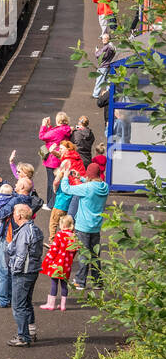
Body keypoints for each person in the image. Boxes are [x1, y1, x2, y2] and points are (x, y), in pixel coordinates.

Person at [0, 176, 42, 313]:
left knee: (1, 270)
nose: (15, 184)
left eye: (17, 183)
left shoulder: (16, 201)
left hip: (7, 237)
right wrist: (1, 181)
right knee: (11, 269)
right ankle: (11, 297)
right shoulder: (27, 199)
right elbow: (12, 192)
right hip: (18, 238)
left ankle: (3, 299)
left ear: (22, 187)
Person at [60, 163, 109, 291]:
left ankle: (80, 281)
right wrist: (81, 177)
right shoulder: (105, 187)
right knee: (95, 254)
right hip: (96, 226)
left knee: (84, 254)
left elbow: (67, 188)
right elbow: (91, 183)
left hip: (83, 226)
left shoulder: (86, 188)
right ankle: (98, 282)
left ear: (89, 174)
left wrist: (65, 176)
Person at [4, 203, 45, 347]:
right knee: (27, 303)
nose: (13, 215)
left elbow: (21, 255)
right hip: (33, 270)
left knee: (18, 305)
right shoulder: (35, 229)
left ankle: (23, 336)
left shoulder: (24, 232)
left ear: (20, 215)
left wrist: (14, 270)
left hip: (23, 273)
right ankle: (31, 331)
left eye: (14, 212)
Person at [39, 214, 78, 311]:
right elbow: (75, 251)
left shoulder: (60, 235)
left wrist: (47, 260)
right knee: (64, 285)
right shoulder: (73, 237)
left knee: (54, 283)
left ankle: (51, 304)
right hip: (67, 265)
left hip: (57, 263)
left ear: (63, 225)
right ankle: (63, 305)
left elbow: (54, 250)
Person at [38, 113, 71, 204]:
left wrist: (44, 126)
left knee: (51, 181)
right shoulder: (66, 129)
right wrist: (49, 126)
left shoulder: (57, 131)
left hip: (52, 160)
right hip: (61, 158)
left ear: (58, 120)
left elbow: (42, 136)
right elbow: (53, 136)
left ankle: (51, 203)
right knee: (60, 179)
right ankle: (57, 202)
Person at [93, 33, 116, 97]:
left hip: (103, 66)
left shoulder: (106, 47)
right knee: (108, 80)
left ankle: (95, 94)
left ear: (107, 39)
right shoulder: (112, 46)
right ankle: (109, 93)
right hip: (109, 65)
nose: (102, 40)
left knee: (99, 80)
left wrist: (97, 51)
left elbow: (99, 56)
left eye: (103, 39)